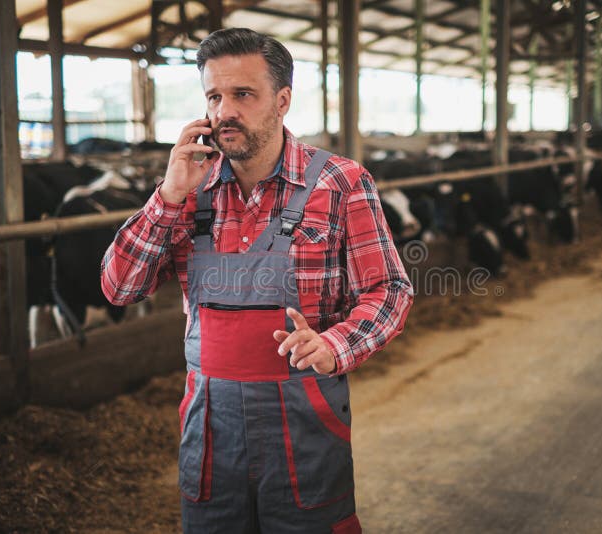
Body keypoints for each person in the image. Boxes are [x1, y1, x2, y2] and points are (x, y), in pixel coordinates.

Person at [100, 27, 413, 533]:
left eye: (243, 94)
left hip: (303, 421)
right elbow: (120, 288)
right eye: (215, 96)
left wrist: (337, 344)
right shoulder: (189, 191)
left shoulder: (340, 183)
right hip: (209, 428)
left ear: (283, 100)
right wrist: (169, 196)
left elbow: (390, 290)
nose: (226, 111)